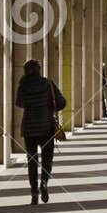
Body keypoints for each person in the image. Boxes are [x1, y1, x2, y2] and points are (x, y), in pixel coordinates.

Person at [15, 58, 65, 204]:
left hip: (29, 128)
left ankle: (34, 191)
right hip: (46, 127)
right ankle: (44, 182)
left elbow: (19, 103)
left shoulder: (23, 85)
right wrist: (49, 106)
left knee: (32, 160)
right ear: (39, 69)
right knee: (47, 159)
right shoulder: (48, 84)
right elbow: (62, 102)